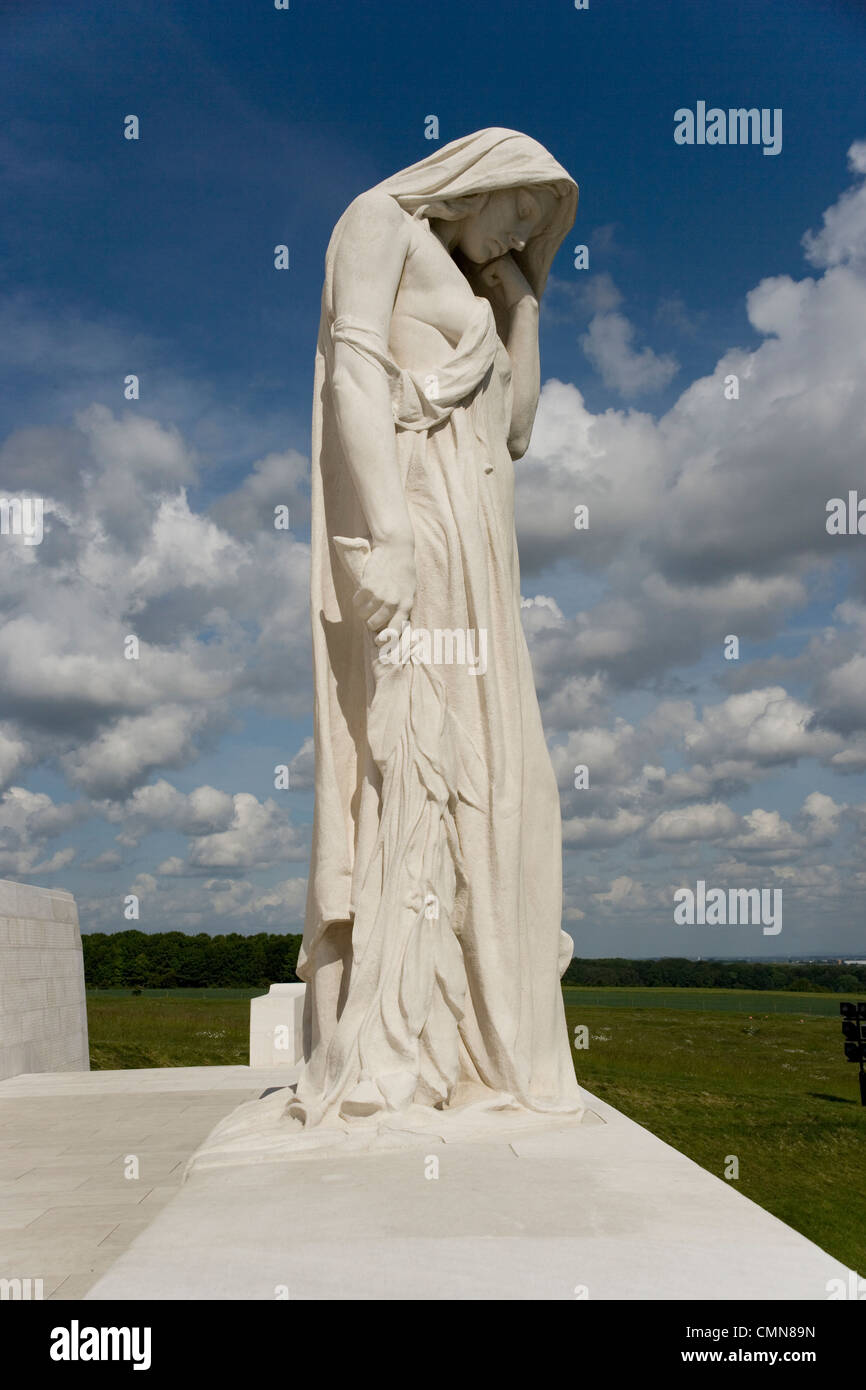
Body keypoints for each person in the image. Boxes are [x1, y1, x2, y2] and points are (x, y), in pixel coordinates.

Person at [292, 129, 583, 1129]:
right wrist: (386, 535)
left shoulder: (480, 286)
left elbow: (514, 430)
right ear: (474, 181)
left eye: (538, 225)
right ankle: (397, 1043)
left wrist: (522, 306)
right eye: (518, 208)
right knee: (416, 761)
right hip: (419, 523)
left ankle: (495, 1040)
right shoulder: (376, 221)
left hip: (479, 549)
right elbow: (352, 377)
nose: (520, 231)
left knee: (507, 776)